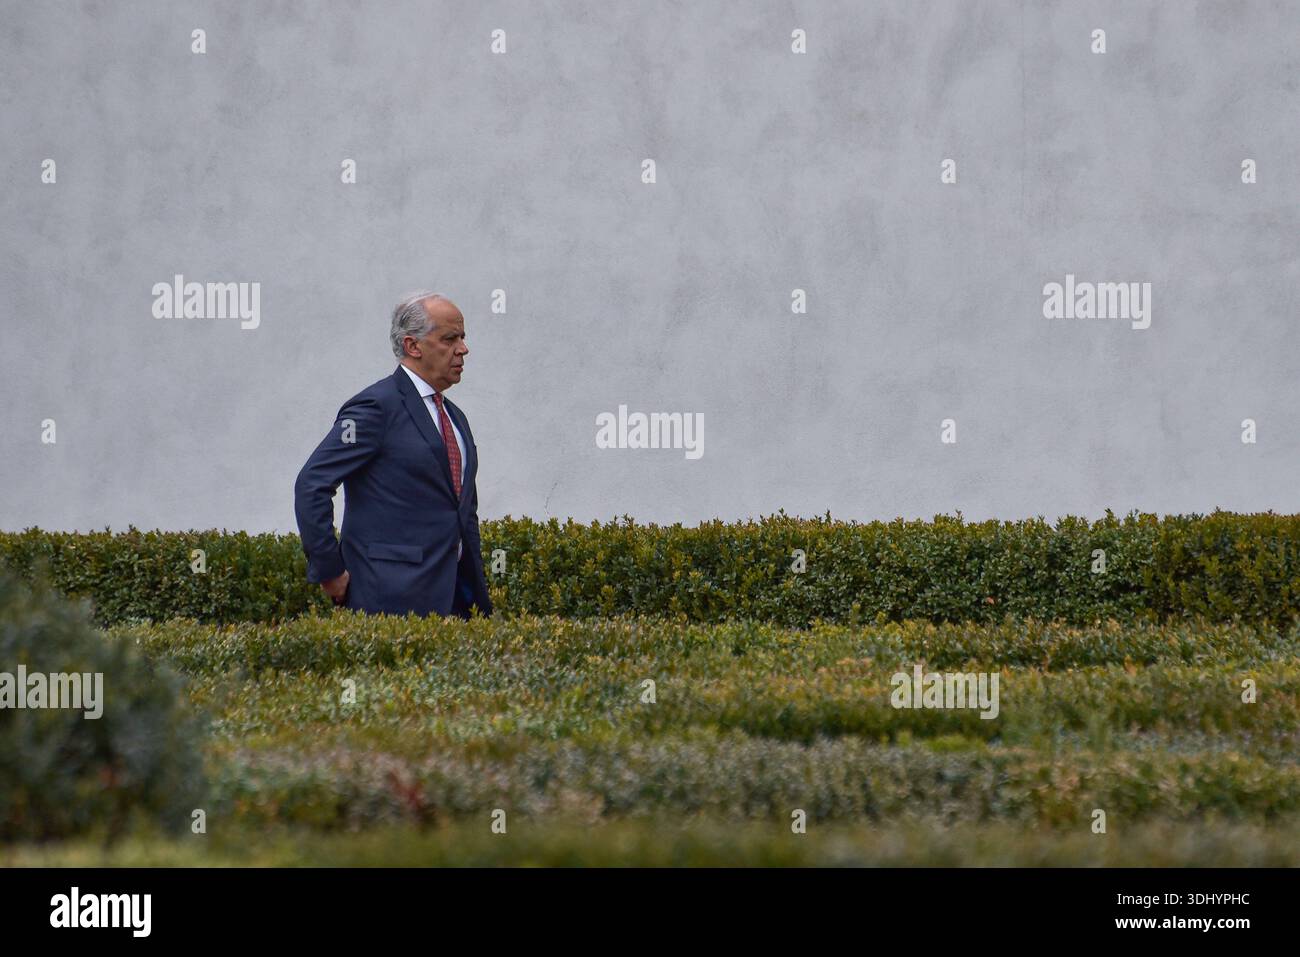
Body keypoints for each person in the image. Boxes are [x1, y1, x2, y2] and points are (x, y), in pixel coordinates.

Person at [294, 291, 492, 619]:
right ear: (413, 346)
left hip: (456, 603)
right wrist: (331, 573)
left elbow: (462, 510)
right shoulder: (375, 408)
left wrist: (476, 593)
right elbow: (312, 483)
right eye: (450, 338)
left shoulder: (455, 417)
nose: (463, 349)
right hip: (390, 602)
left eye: (463, 337)